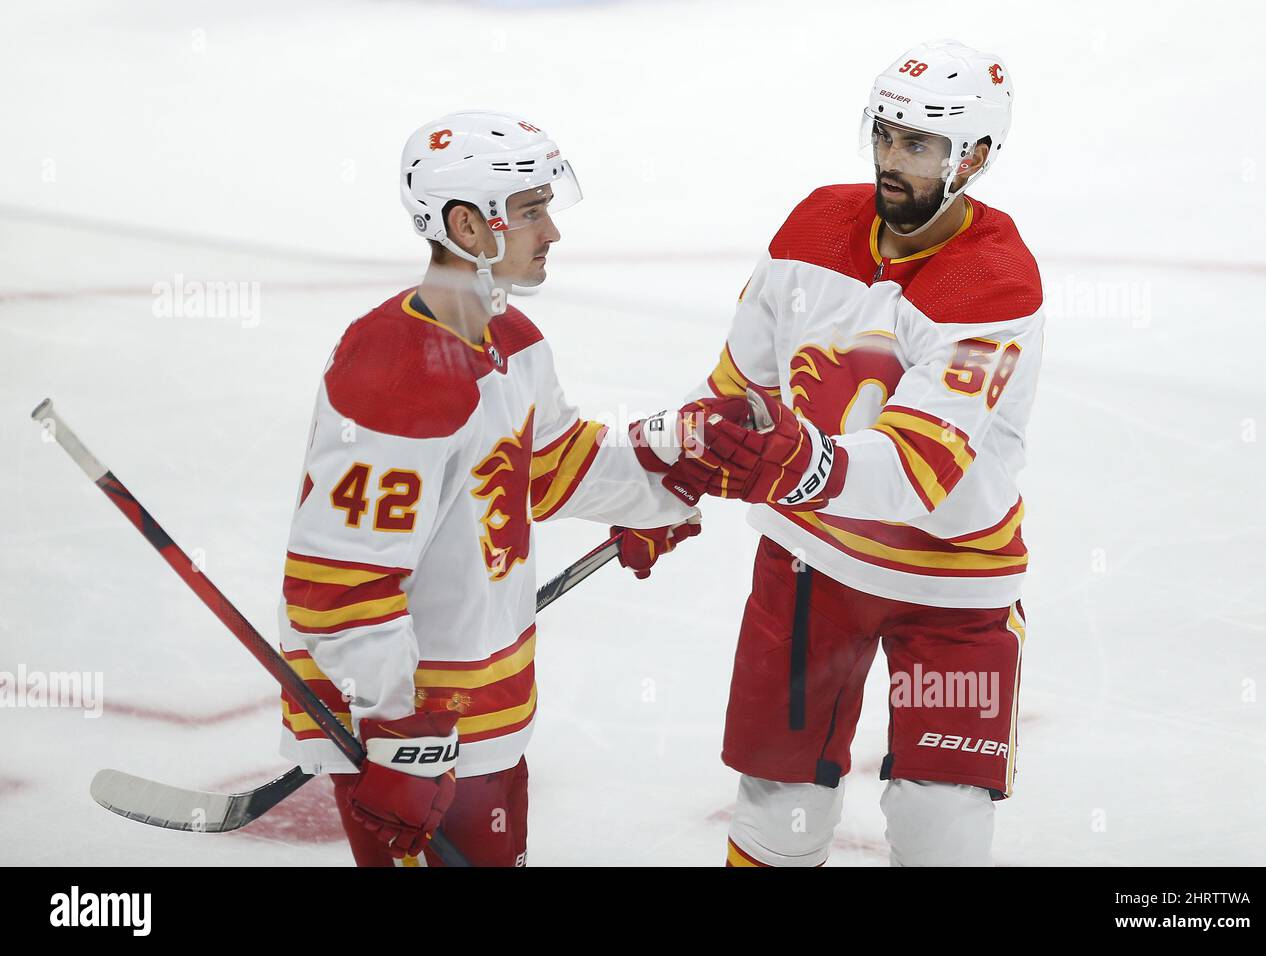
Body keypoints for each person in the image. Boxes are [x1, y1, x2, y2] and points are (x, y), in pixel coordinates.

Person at [276, 110, 703, 866]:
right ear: (469, 227)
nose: (553, 232)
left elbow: (555, 467)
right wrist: (397, 732)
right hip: (415, 735)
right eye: (532, 211)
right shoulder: (395, 370)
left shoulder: (514, 342)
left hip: (482, 720)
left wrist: (667, 486)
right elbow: (337, 583)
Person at [655, 39, 1043, 866]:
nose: (891, 161)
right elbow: (737, 393)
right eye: (885, 135)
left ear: (972, 157)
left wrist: (801, 464)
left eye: (920, 145)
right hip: (807, 567)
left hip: (952, 584)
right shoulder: (815, 224)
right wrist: (662, 488)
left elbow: (917, 471)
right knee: (775, 816)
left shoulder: (996, 284)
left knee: (941, 829)